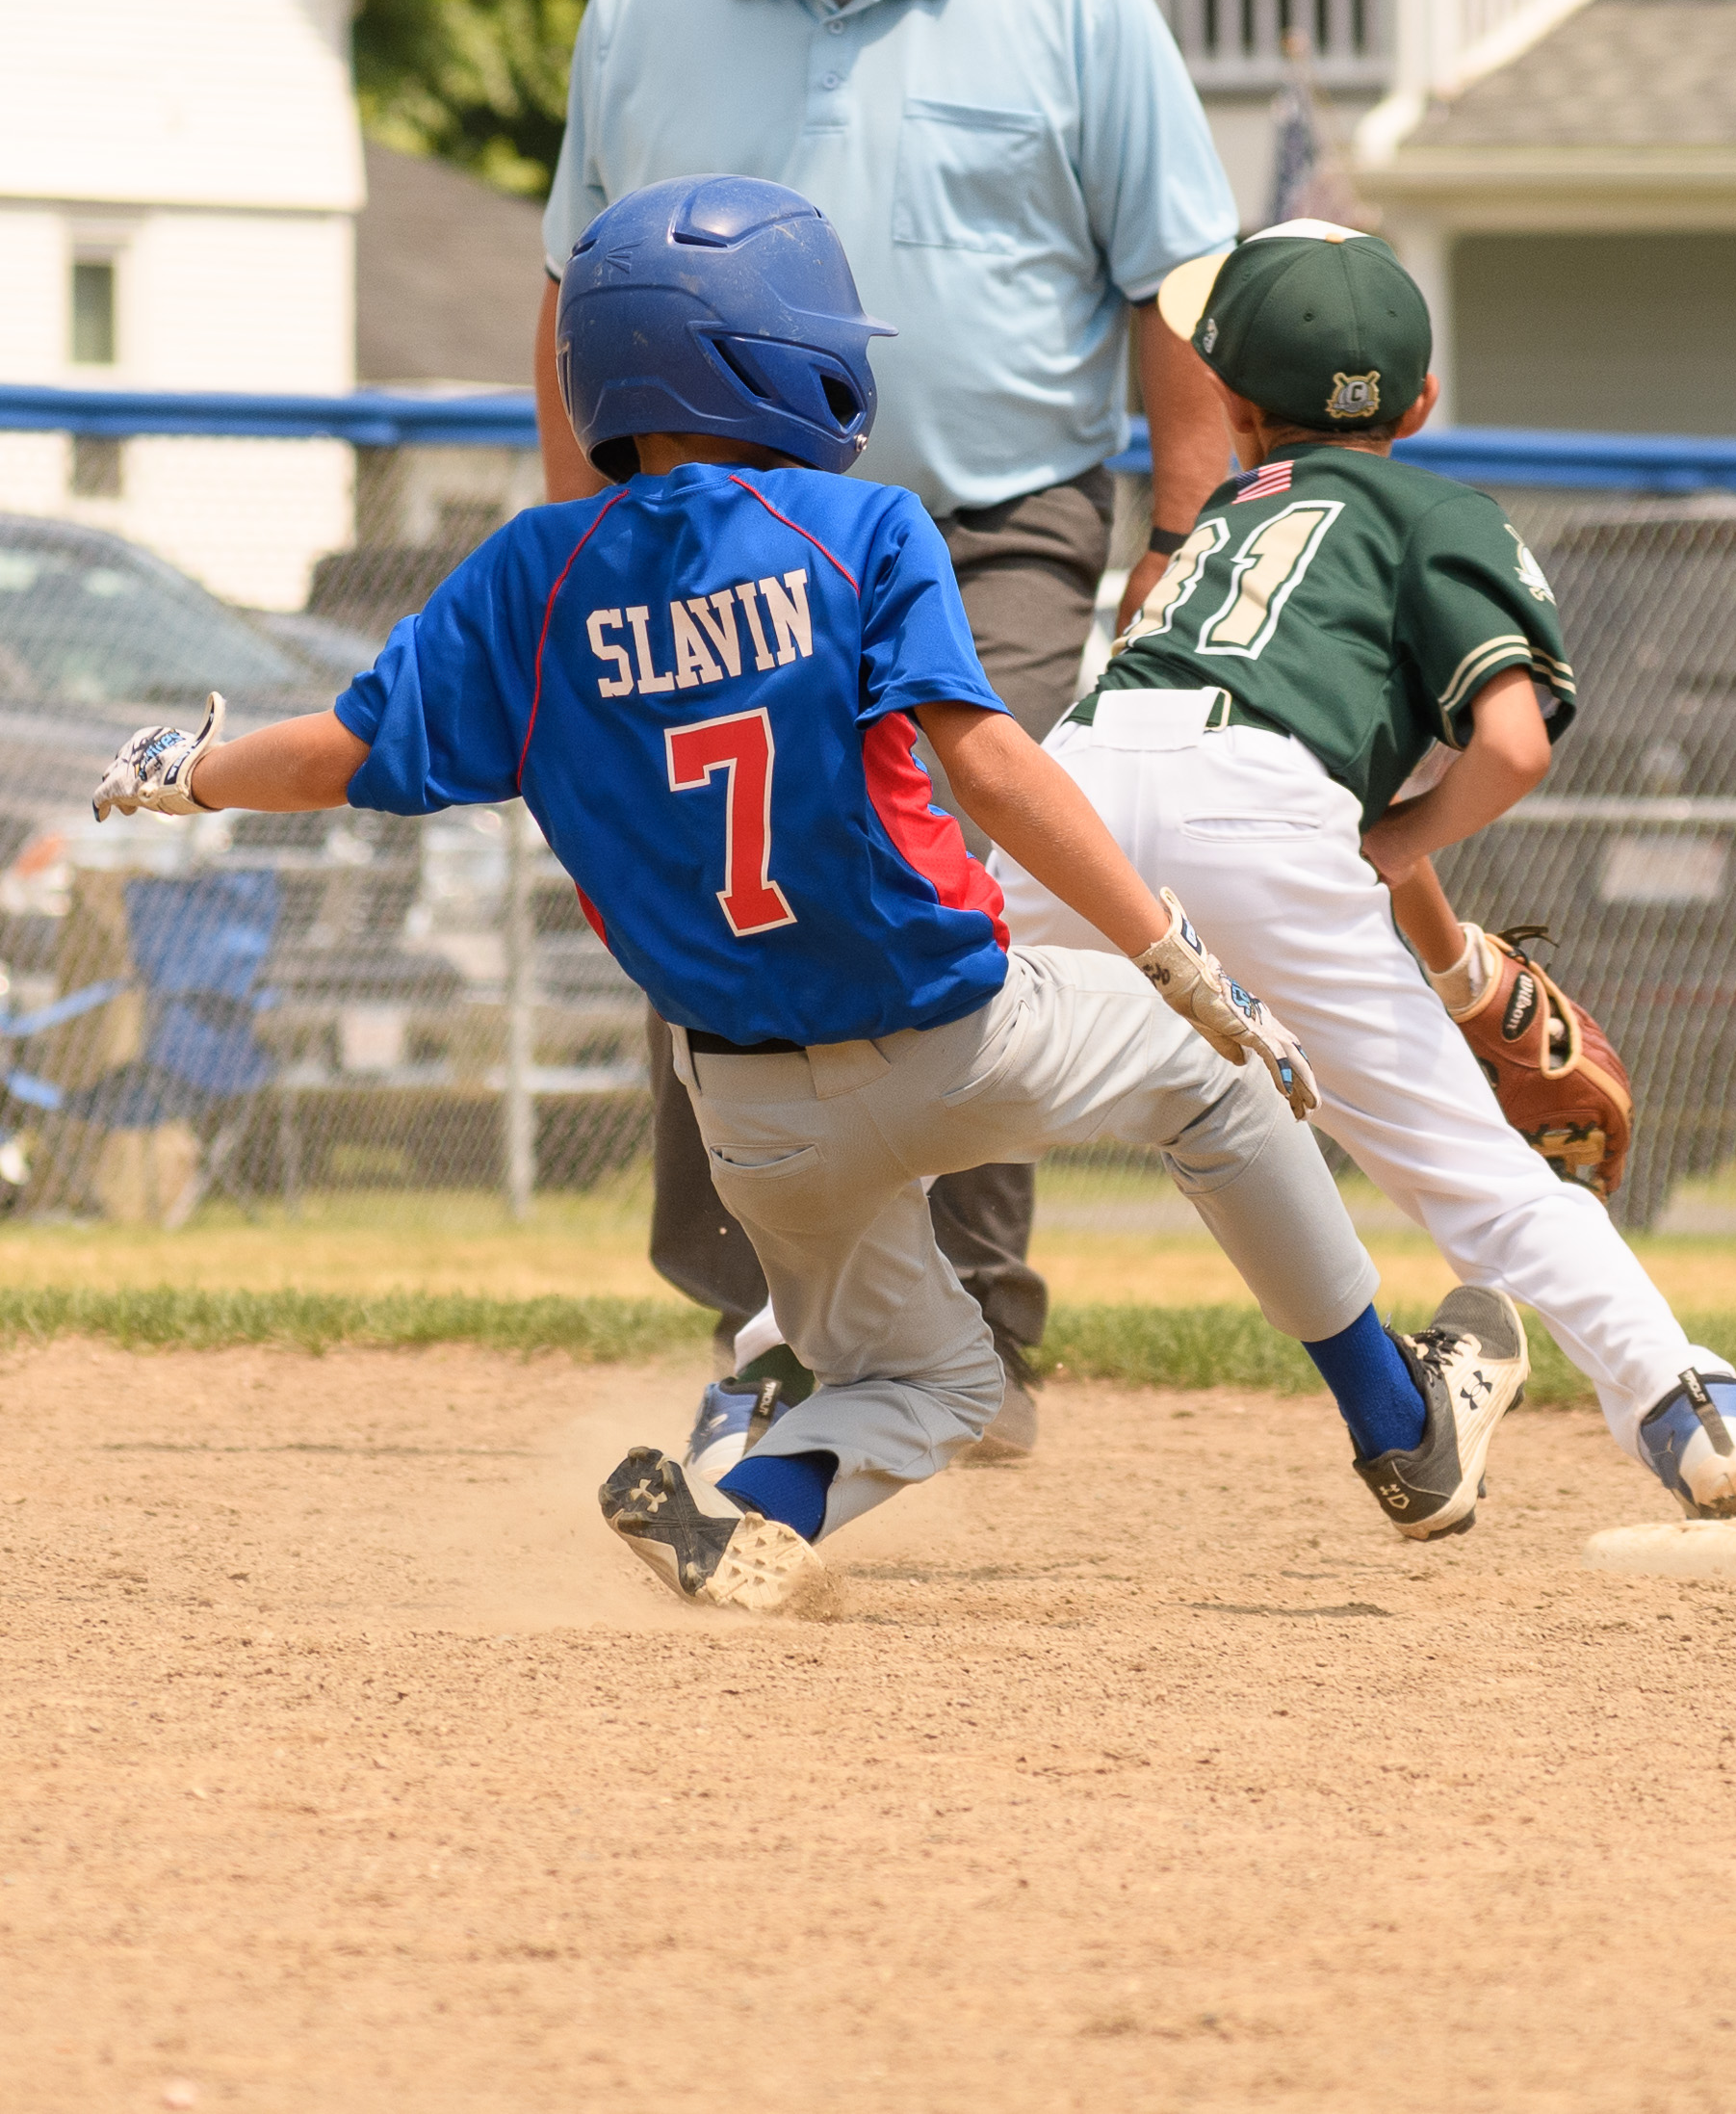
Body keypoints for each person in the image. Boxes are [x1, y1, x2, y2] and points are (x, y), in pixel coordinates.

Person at [90, 180, 1532, 1613]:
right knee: (1219, 1090)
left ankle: (741, 1514)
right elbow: (997, 774)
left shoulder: (529, 573)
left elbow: (336, 757)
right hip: (952, 1026)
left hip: (751, 1118)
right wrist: (1177, 959)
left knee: (923, 1375)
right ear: (773, 355)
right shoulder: (863, 526)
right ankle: (1399, 1427)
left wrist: (186, 768)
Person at [535, 0, 1241, 1461]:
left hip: (991, 517)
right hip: (712, 533)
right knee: (718, 886)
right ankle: (761, 1311)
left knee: (949, 880)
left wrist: (1183, 523)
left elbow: (1176, 279)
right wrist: (577, 541)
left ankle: (976, 1333)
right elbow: (573, 291)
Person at [989, 221, 1736, 1522]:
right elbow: (1504, 745)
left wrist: (1432, 939)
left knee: (918, 1077)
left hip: (1066, 792)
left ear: (1237, 410)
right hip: (1255, 807)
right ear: (1422, 401)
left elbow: (1257, 779)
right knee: (1471, 1176)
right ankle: (1695, 1411)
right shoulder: (1432, 510)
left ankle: (773, 1374)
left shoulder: (1214, 527)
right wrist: (1401, 858)